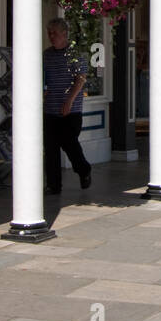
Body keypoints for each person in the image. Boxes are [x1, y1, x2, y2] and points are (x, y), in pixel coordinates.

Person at [43, 18, 92, 194]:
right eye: (49, 33)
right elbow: (43, 78)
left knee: (69, 143)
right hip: (50, 109)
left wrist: (69, 101)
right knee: (51, 148)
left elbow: (81, 78)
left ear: (64, 34)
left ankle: (83, 169)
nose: (51, 36)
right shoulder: (46, 55)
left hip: (70, 110)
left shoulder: (75, 53)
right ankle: (53, 185)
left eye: (54, 33)